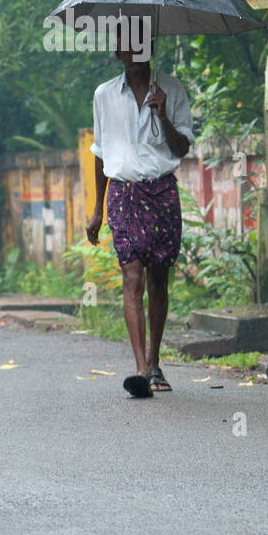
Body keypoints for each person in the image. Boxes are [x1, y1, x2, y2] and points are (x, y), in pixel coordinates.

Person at [85, 21, 195, 398]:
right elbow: (100, 156)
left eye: (138, 48)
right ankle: (140, 369)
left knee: (157, 280)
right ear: (118, 53)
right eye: (125, 49)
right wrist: (97, 212)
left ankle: (155, 360)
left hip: (162, 192)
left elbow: (182, 149)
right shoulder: (103, 95)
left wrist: (162, 114)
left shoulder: (173, 89)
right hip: (123, 194)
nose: (132, 56)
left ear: (149, 49)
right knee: (131, 275)